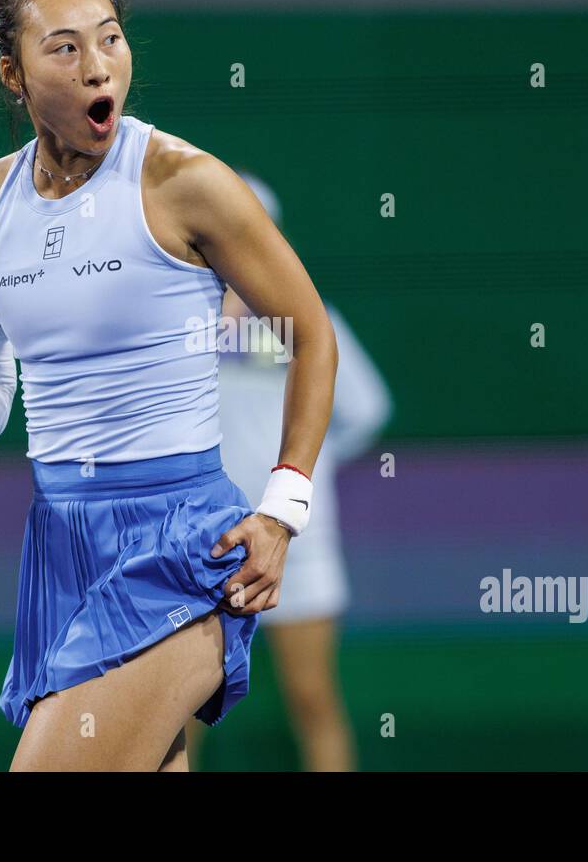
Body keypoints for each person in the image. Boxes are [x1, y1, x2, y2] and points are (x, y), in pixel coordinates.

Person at [0, 0, 338, 771]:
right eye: (63, 48)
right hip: (60, 543)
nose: (98, 65)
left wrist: (282, 510)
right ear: (12, 74)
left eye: (111, 39)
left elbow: (310, 331)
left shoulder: (187, 183)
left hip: (180, 545)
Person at [187, 170, 392, 771]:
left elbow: (365, 408)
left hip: (297, 538)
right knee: (182, 710)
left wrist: (300, 478)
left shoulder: (304, 321)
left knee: (312, 699)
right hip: (201, 541)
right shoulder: (175, 326)